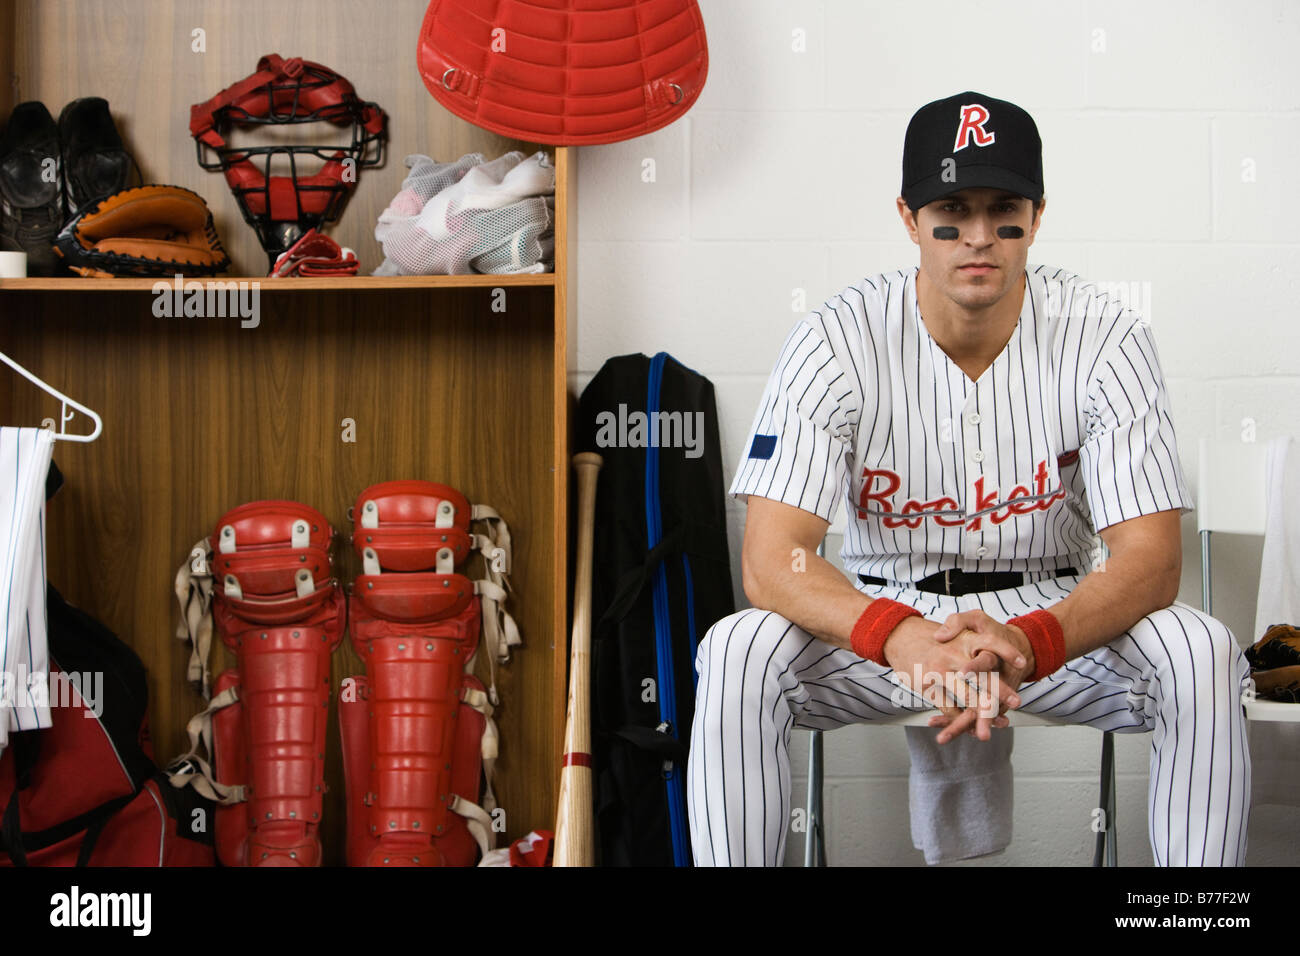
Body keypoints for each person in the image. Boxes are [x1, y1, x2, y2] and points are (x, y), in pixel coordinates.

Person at [687, 91, 1251, 867]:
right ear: (909, 217)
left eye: (1004, 209)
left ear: (1038, 215)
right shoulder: (836, 337)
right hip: (883, 614)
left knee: (1201, 649)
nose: (979, 236)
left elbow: (1149, 559)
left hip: (1052, 612)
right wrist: (900, 637)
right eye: (952, 208)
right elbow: (771, 558)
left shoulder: (1106, 334)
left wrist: (1029, 641)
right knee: (738, 648)